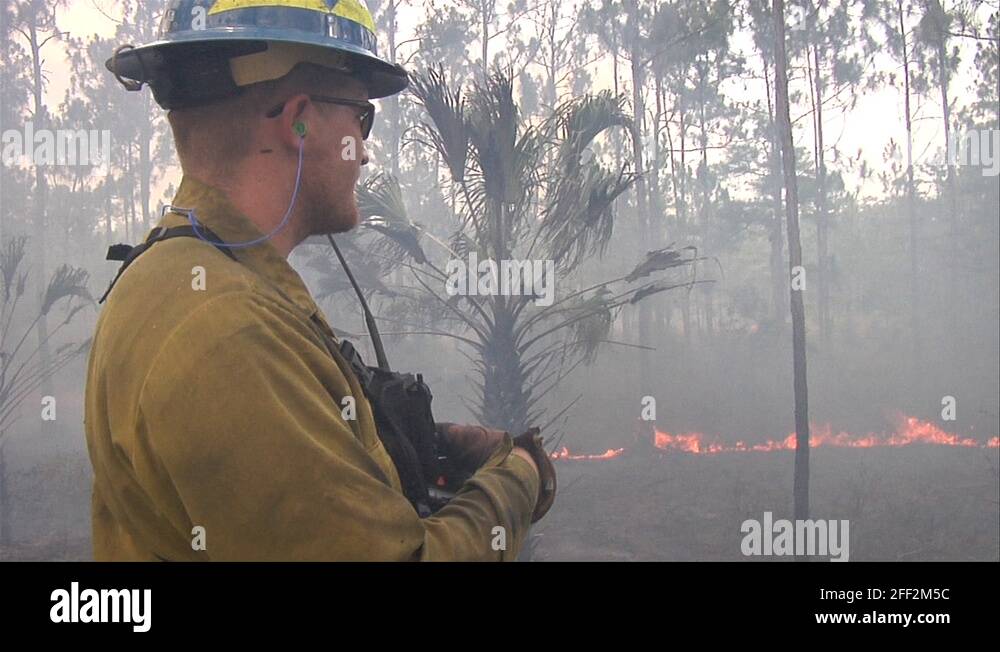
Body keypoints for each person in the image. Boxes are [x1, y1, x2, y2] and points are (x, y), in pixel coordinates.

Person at [85, 0, 554, 561]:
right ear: (298, 122)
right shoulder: (228, 333)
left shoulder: (175, 276)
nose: (367, 149)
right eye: (362, 117)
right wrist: (519, 477)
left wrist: (389, 444)